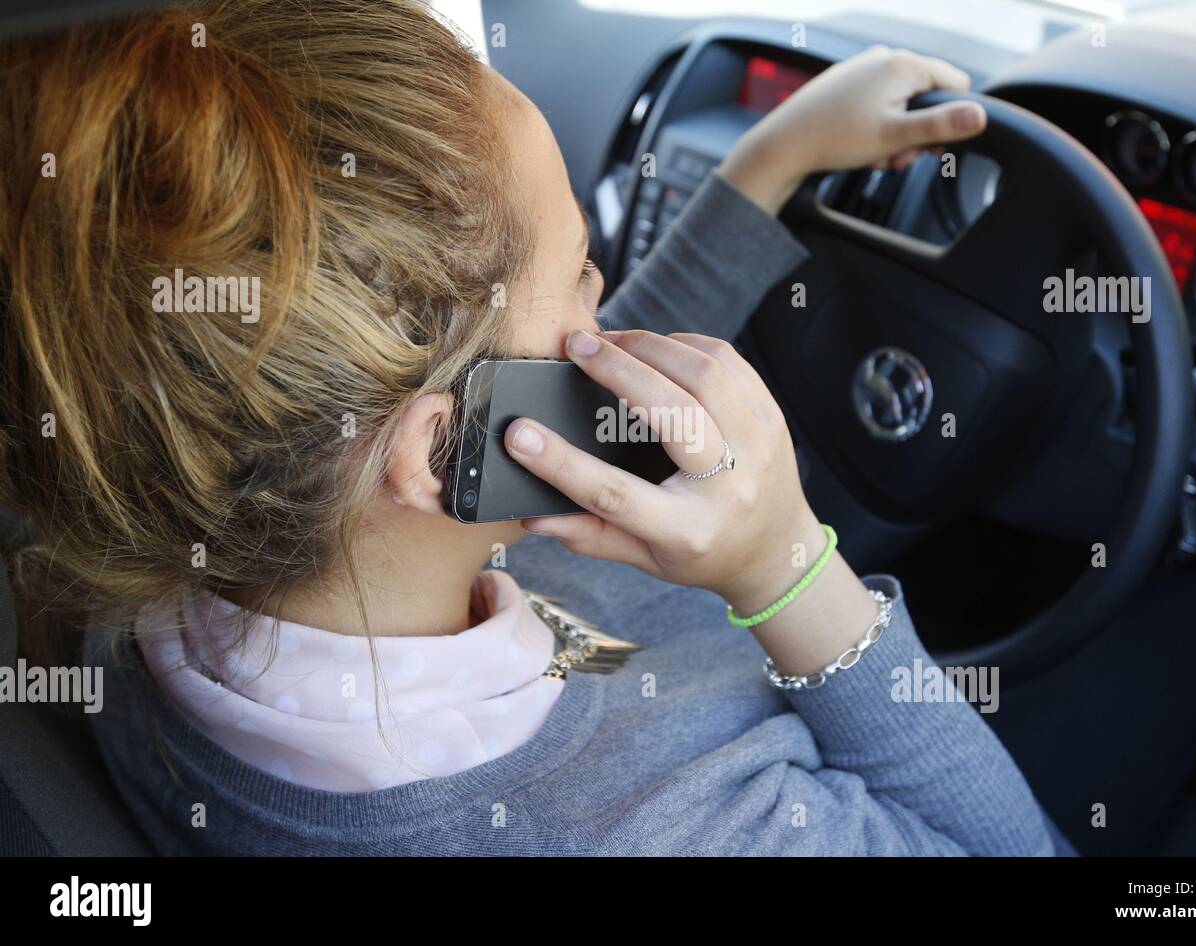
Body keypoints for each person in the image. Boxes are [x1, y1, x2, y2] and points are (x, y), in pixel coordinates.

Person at [0, 0, 1063, 855]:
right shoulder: (658, 822)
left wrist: (766, 166)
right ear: (432, 454)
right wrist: (788, 567)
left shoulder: (148, 535)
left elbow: (518, 380)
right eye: (583, 276)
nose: (606, 310)